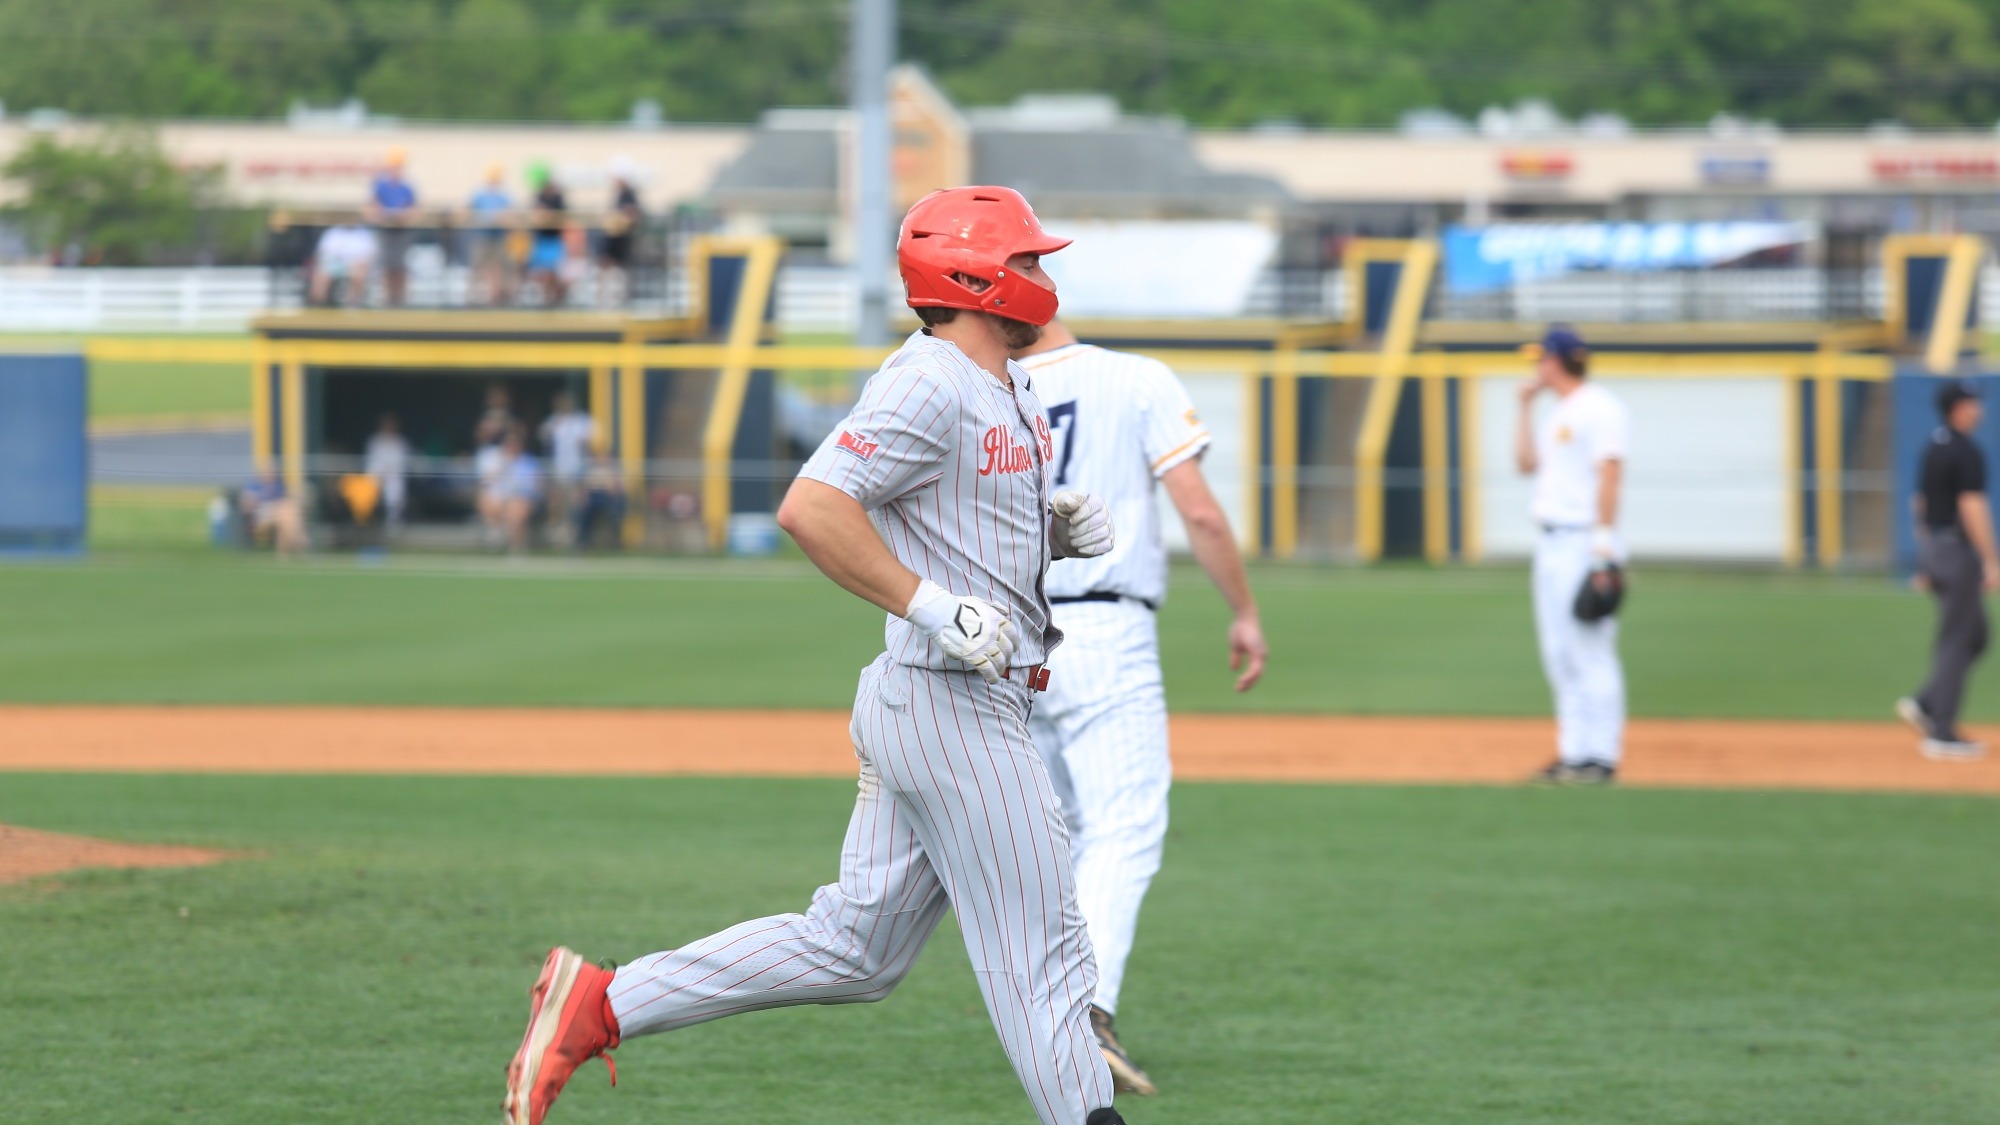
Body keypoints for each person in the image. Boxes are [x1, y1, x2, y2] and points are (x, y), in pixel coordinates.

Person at [502, 186, 1132, 1125]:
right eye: (1028, 259)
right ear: (973, 274)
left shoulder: (1006, 379)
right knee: (1046, 968)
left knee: (856, 949)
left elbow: (954, 516)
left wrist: (1052, 530)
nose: (1043, 276)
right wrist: (931, 606)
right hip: (952, 708)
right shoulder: (929, 376)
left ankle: (600, 1002)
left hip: (943, 704)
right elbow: (814, 506)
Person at [1013, 319, 1268, 1095]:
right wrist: (1245, 610)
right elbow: (1200, 511)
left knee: (1053, 838)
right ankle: (1083, 1013)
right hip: (1104, 626)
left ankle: (1043, 1012)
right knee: (1124, 826)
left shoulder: (985, 381)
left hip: (1006, 629)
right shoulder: (1136, 378)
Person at [1516, 326, 1629, 785]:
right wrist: (1522, 407)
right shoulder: (1558, 411)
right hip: (1550, 542)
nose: (1535, 366)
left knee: (1591, 651)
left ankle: (1601, 757)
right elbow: (1525, 465)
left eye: (1540, 358)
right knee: (1559, 654)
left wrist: (1603, 550)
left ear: (1557, 361)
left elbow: (1611, 474)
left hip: (1584, 541)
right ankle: (1574, 754)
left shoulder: (1600, 407)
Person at [1897, 379, 1997, 761]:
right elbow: (1972, 507)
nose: (1978, 410)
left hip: (1937, 547)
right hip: (1956, 550)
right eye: (1972, 403)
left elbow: (1919, 503)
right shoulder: (1966, 450)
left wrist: (1926, 557)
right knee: (1958, 639)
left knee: (1978, 635)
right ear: (1958, 407)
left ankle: (1925, 703)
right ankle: (1941, 730)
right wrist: (1990, 559)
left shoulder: (1934, 446)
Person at [538, 390, 595, 534]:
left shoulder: (583, 421)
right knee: (556, 499)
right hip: (558, 470)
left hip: (579, 470)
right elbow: (543, 436)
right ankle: (557, 529)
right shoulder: (553, 421)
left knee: (577, 502)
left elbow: (591, 444)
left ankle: (577, 534)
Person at [367, 146, 418, 307]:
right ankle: (387, 299)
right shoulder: (380, 185)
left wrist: (404, 215)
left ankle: (400, 299)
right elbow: (372, 207)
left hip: (402, 230)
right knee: (387, 266)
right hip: (385, 230)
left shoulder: (407, 187)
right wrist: (382, 216)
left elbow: (415, 208)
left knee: (400, 266)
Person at [597, 156, 643, 307]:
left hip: (621, 240)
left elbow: (632, 216)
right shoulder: (622, 194)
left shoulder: (628, 194)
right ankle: (607, 302)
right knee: (608, 272)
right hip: (614, 239)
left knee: (618, 275)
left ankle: (616, 303)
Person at [467, 163, 514, 306]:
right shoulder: (479, 194)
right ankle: (473, 298)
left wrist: (503, 219)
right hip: (482, 236)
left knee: (496, 268)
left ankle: (495, 298)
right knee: (478, 267)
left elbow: (510, 217)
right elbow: (468, 211)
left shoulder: (504, 196)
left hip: (498, 237)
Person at [525, 164, 568, 308]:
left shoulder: (558, 198)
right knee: (542, 272)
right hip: (541, 239)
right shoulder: (539, 197)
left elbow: (561, 217)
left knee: (553, 271)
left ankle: (555, 297)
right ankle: (546, 299)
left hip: (554, 239)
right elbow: (534, 214)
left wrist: (547, 215)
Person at [239, 469, 307, 556]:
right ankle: (299, 540)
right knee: (285, 513)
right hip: (259, 515)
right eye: (268, 473)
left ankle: (284, 555)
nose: (270, 475)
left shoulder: (278, 486)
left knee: (284, 517)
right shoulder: (254, 486)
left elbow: (286, 499)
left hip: (277, 514)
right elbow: (247, 504)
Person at [307, 224, 376, 307]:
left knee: (359, 273)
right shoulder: (332, 232)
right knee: (321, 274)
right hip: (333, 263)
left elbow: (367, 256)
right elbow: (324, 253)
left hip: (355, 264)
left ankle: (352, 305)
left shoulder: (364, 234)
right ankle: (318, 305)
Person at [364, 412, 411, 526]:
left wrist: (390, 470)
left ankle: (393, 523)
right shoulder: (374, 440)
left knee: (395, 490)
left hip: (394, 476)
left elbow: (404, 463)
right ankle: (365, 522)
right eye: (386, 424)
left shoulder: (401, 442)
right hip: (377, 474)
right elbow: (370, 462)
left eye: (391, 424)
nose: (389, 427)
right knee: (367, 486)